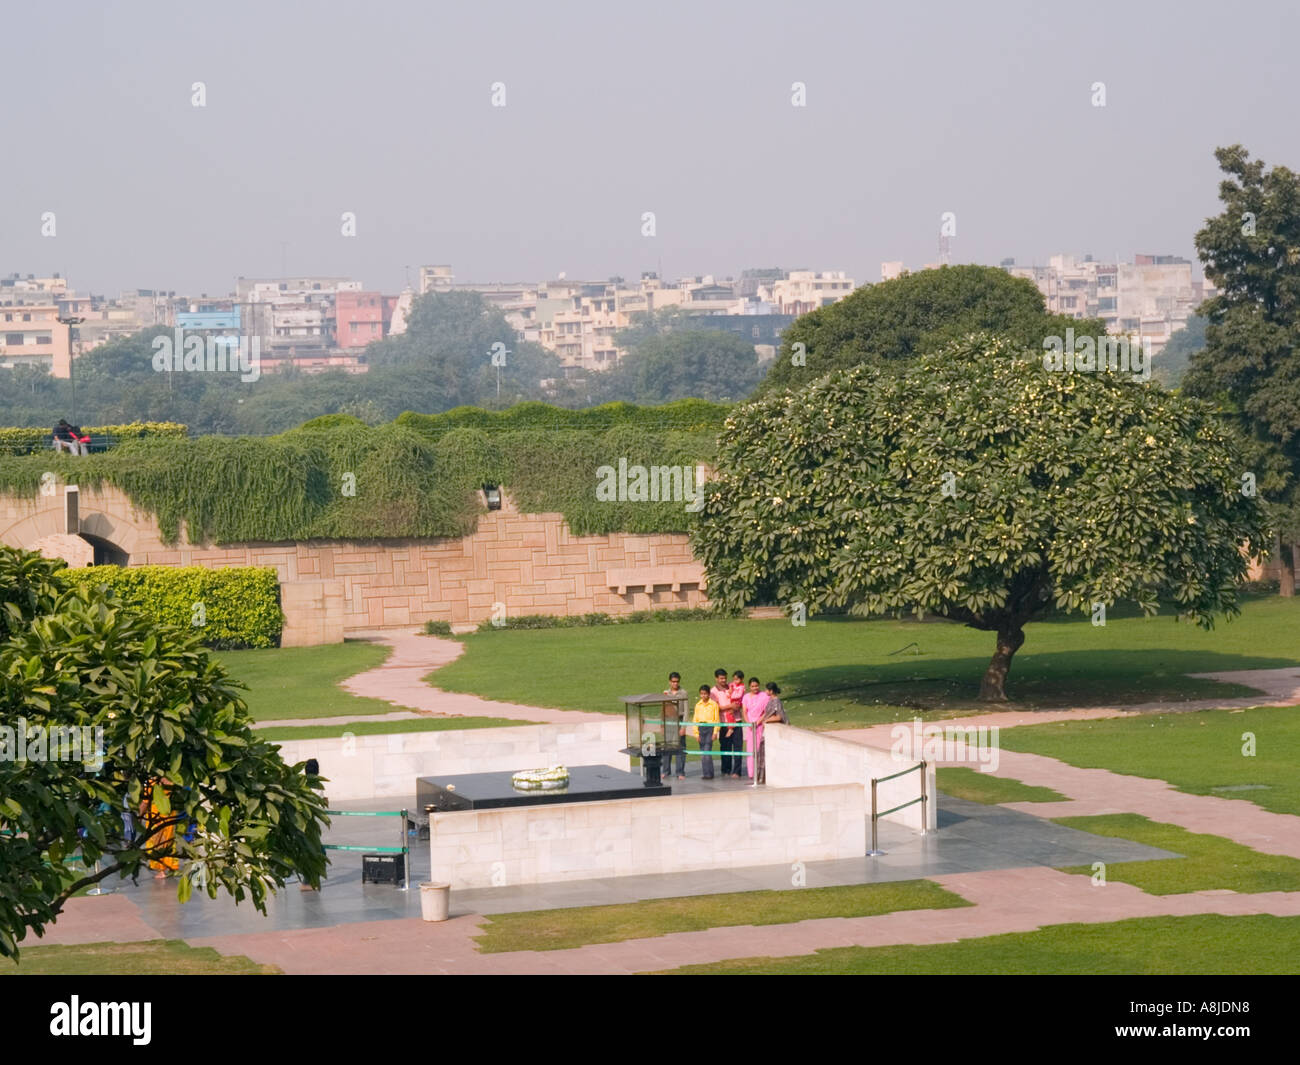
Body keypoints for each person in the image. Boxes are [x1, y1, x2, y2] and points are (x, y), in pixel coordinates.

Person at [756, 682, 789, 786]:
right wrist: (759, 721)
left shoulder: (776, 701)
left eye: (767, 690)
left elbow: (779, 716)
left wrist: (767, 721)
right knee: (761, 752)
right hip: (767, 731)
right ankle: (761, 777)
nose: (765, 691)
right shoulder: (770, 701)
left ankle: (764, 777)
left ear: (771, 691)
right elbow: (766, 714)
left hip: (773, 732)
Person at [741, 677, 770, 781]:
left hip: (759, 725)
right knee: (750, 749)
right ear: (749, 687)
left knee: (759, 749)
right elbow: (744, 711)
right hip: (750, 727)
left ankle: (760, 772)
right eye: (752, 686)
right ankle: (751, 773)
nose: (755, 688)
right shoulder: (746, 697)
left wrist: (758, 722)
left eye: (756, 686)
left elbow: (766, 711)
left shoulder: (764, 696)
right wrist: (748, 723)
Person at [710, 669, 738, 777]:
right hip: (722, 722)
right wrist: (730, 706)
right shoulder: (713, 691)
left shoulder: (731, 688)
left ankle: (734, 770)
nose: (724, 680)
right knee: (725, 746)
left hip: (734, 721)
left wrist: (736, 706)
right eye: (721, 678)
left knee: (735, 747)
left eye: (725, 678)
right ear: (716, 678)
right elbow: (716, 707)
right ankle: (725, 769)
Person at [662, 672, 687, 779]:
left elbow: (686, 711)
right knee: (667, 746)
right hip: (668, 720)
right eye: (673, 682)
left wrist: (684, 727)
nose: (675, 684)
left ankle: (680, 772)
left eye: (677, 681)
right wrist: (661, 725)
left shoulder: (683, 693)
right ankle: (665, 771)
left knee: (680, 747)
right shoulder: (665, 693)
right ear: (669, 682)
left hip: (679, 720)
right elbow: (663, 709)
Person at [693, 684, 720, 781]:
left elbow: (717, 719)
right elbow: (695, 719)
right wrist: (696, 733)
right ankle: (706, 773)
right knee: (702, 753)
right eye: (701, 694)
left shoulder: (713, 705)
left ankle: (709, 773)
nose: (703, 696)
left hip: (710, 728)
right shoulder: (698, 705)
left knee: (707, 752)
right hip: (701, 728)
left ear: (709, 694)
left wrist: (715, 732)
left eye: (705, 694)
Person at [727, 670, 747, 778]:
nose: (735, 681)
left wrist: (732, 692)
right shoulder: (733, 685)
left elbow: (738, 695)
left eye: (738, 679)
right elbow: (730, 687)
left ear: (742, 679)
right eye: (734, 679)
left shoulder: (742, 687)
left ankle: (737, 771)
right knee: (730, 714)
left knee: (738, 747)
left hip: (737, 703)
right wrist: (731, 688)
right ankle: (727, 769)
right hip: (732, 704)